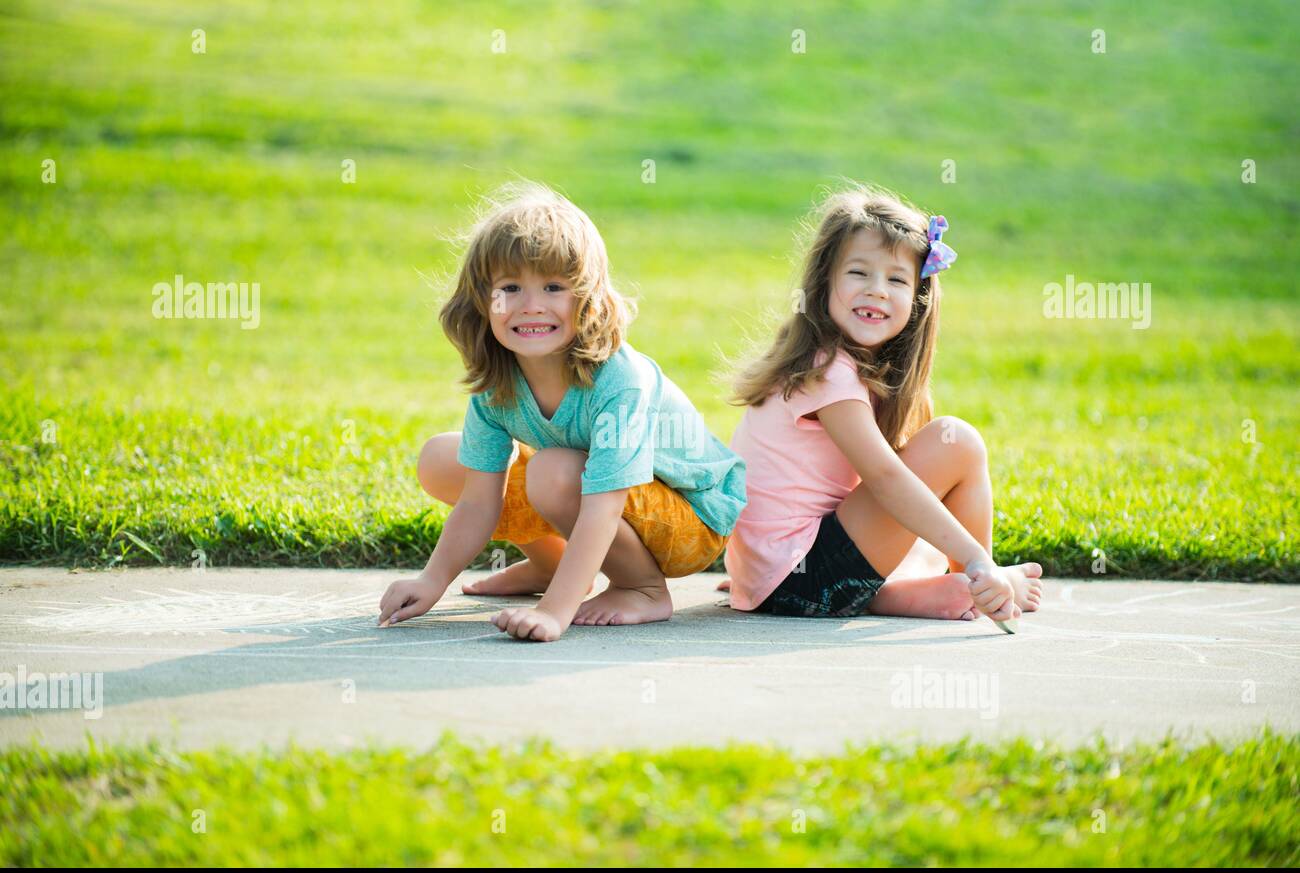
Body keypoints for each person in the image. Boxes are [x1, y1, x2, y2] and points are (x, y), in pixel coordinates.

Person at [379, 183, 746, 641]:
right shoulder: (499, 380)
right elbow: (478, 501)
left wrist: (555, 612)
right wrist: (430, 582)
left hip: (692, 514)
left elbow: (604, 503)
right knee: (445, 459)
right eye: (510, 287)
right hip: (595, 495)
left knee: (552, 472)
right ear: (481, 300)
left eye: (554, 287)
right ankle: (549, 567)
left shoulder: (617, 380)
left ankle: (642, 588)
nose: (531, 305)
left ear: (587, 298)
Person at [724, 184, 1043, 623]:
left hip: (783, 581)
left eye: (896, 279)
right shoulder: (828, 370)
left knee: (930, 539)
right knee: (959, 443)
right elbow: (886, 478)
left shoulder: (849, 368)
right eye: (858, 273)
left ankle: (918, 591)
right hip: (802, 576)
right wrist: (974, 557)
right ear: (824, 283)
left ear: (917, 301)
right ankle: (981, 584)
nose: (877, 291)